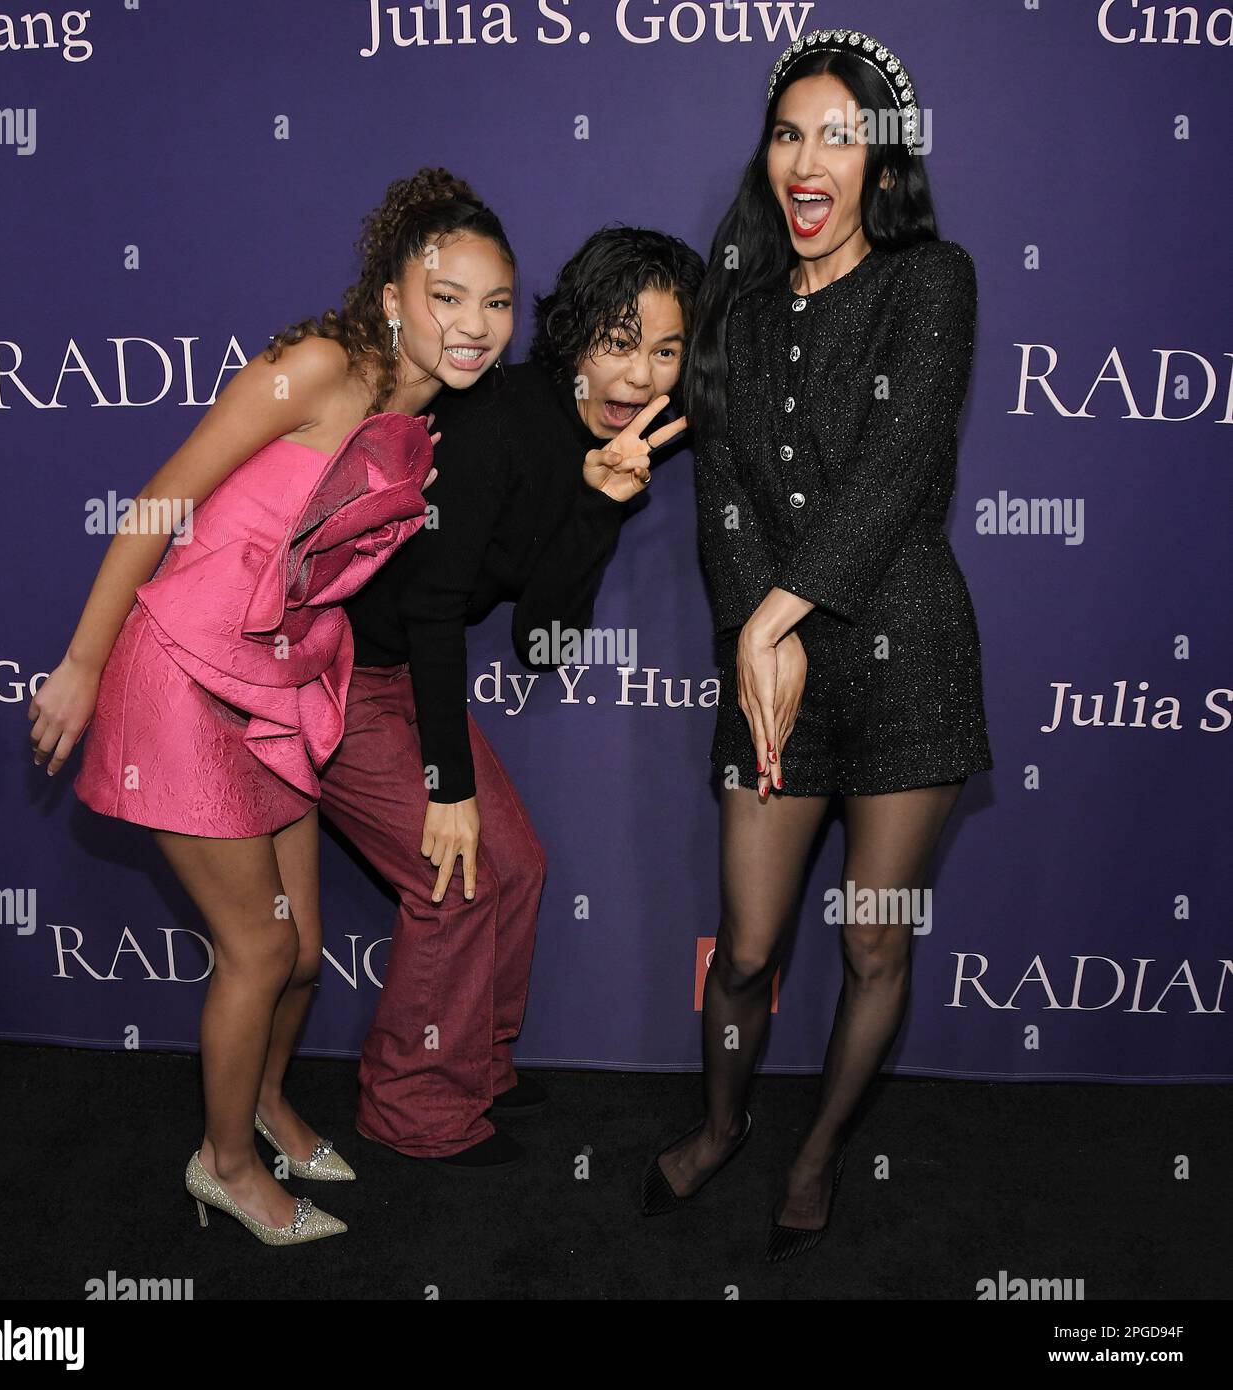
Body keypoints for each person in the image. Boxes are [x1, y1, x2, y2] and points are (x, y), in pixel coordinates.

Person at [27, 166, 514, 1244]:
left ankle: (267, 1104)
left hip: (282, 685)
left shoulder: (426, 419)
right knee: (256, 948)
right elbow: (162, 500)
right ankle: (225, 1163)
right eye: (447, 296)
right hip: (182, 675)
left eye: (494, 302)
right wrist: (80, 663)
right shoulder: (320, 370)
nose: (473, 325)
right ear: (394, 295)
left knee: (299, 948)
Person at [641, 29, 994, 1261]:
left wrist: (782, 610)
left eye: (839, 135)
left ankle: (817, 1148)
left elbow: (899, 474)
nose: (808, 158)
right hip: (770, 664)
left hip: (911, 660)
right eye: (789, 131)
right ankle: (724, 1124)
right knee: (743, 948)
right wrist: (754, 632)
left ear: (880, 161)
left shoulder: (931, 279)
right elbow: (721, 491)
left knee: (871, 938)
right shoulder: (731, 310)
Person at [321, 227, 705, 1170]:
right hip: (329, 677)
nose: (642, 375)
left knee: (517, 864)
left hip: (409, 674)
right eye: (619, 342)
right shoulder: (502, 420)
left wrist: (600, 504)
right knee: (454, 879)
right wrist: (448, 785)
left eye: (665, 350)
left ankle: (475, 1065)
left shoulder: (603, 446)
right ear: (575, 337)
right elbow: (433, 606)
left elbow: (543, 638)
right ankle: (413, 1107)